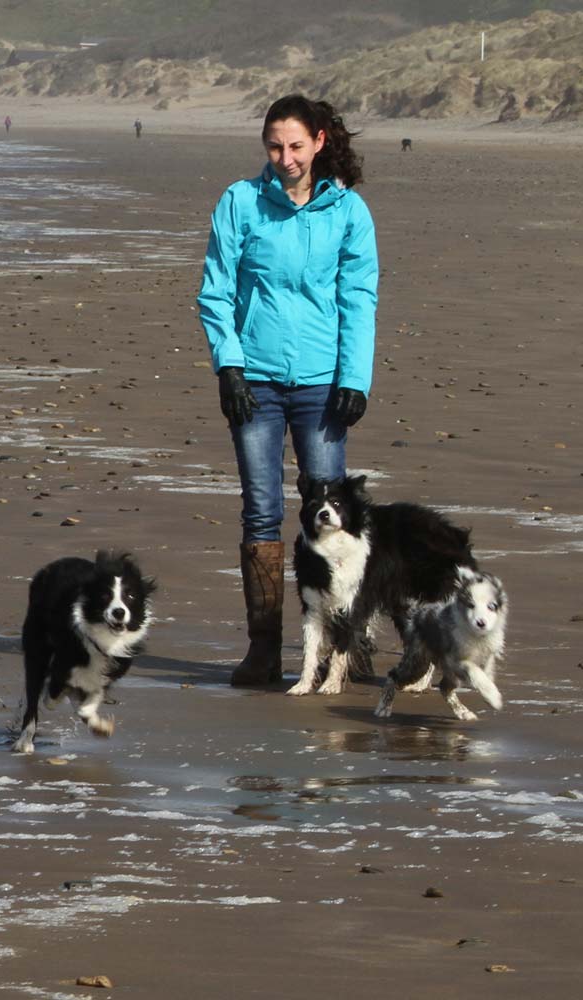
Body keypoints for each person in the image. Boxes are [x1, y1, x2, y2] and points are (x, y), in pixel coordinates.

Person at [195, 94, 377, 687]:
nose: (285, 157)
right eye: (275, 146)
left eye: (296, 145)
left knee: (333, 514)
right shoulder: (241, 201)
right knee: (263, 511)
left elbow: (358, 298)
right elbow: (216, 290)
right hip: (257, 382)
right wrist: (229, 367)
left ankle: (343, 645)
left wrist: (355, 378)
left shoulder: (348, 212)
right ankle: (265, 649)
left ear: (320, 141)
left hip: (324, 384)